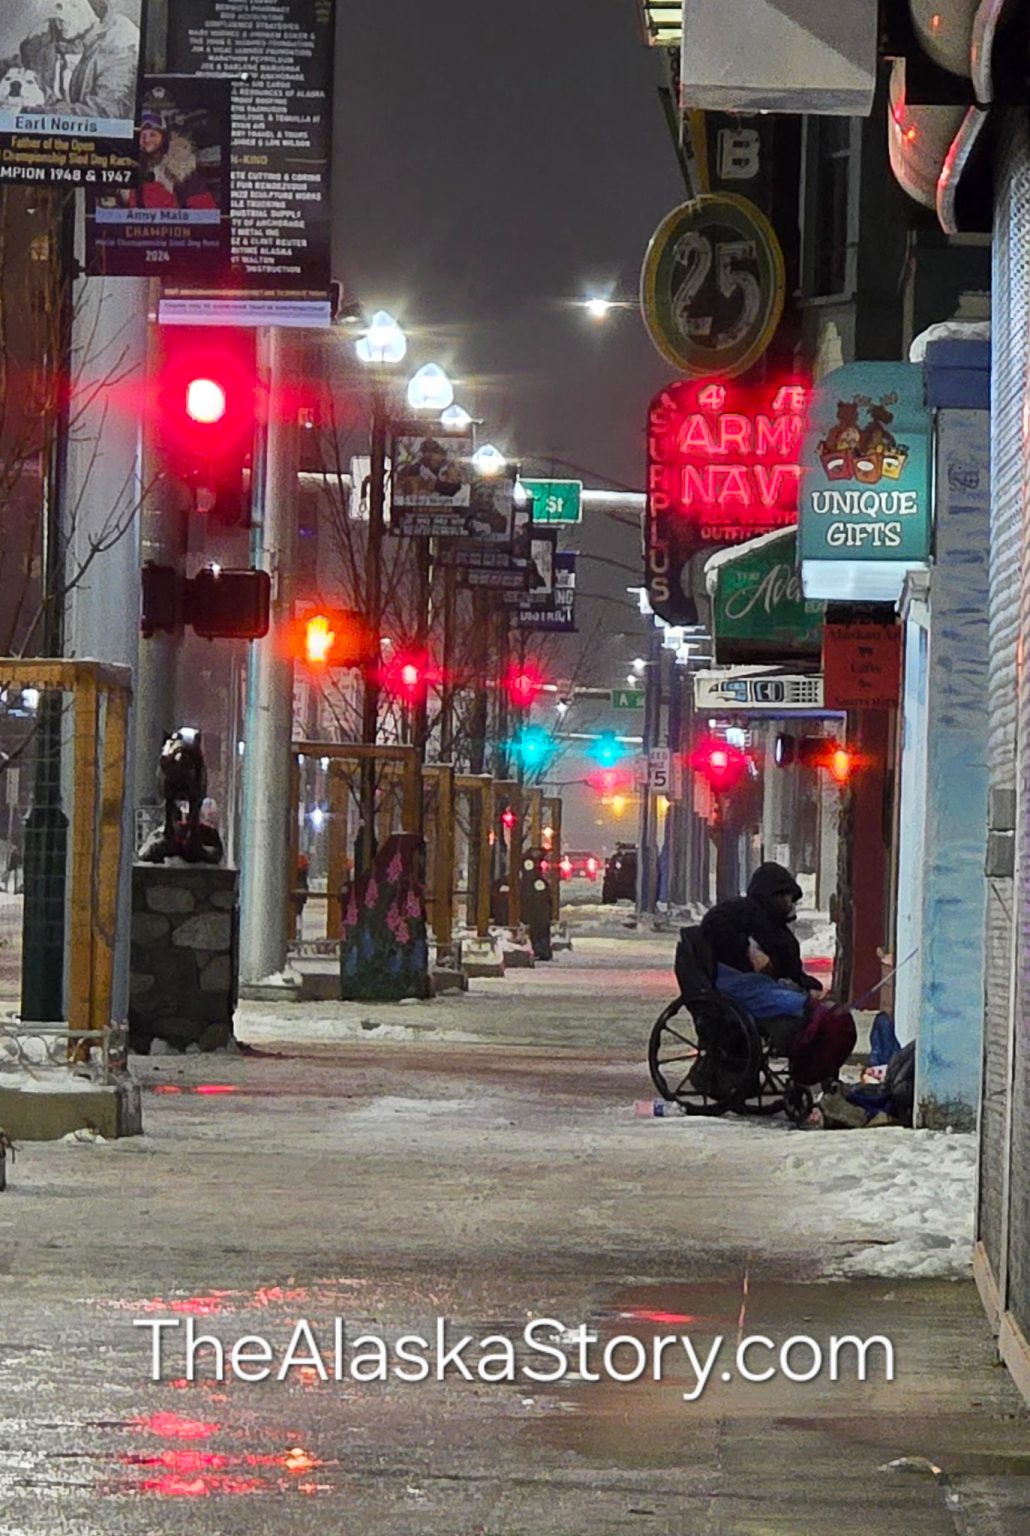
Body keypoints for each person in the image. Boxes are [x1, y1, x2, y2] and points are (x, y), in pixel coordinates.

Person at [701, 862, 856, 1086]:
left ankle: (811, 1059)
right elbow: (712, 925)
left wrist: (810, 986)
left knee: (811, 1007)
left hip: (761, 987)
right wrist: (748, 949)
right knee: (799, 1006)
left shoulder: (780, 934)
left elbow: (792, 970)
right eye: (784, 897)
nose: (788, 904)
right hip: (734, 985)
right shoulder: (740, 911)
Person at [19, 0, 141, 121]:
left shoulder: (121, 42)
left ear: (95, 10)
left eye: (73, 5)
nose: (61, 15)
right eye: (59, 5)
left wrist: (32, 114)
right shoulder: (46, 35)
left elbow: (105, 113)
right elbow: (18, 67)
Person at [127, 109, 218, 210]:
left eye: (152, 135)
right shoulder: (127, 170)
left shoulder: (182, 171)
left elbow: (204, 211)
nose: (146, 140)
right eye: (142, 136)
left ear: (164, 138)